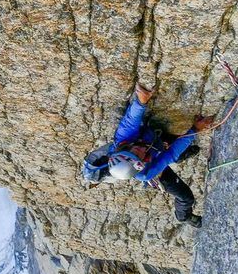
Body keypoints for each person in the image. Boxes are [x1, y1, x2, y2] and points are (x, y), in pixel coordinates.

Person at [81, 83, 214, 228]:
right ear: (141, 163)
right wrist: (195, 129)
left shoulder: (122, 138)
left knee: (175, 150)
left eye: (134, 151)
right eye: (140, 156)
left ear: (125, 149)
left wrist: (141, 101)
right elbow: (169, 155)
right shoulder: (145, 173)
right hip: (156, 164)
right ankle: (184, 217)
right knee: (186, 197)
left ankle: (184, 154)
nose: (140, 150)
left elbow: (131, 120)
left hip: (155, 140)